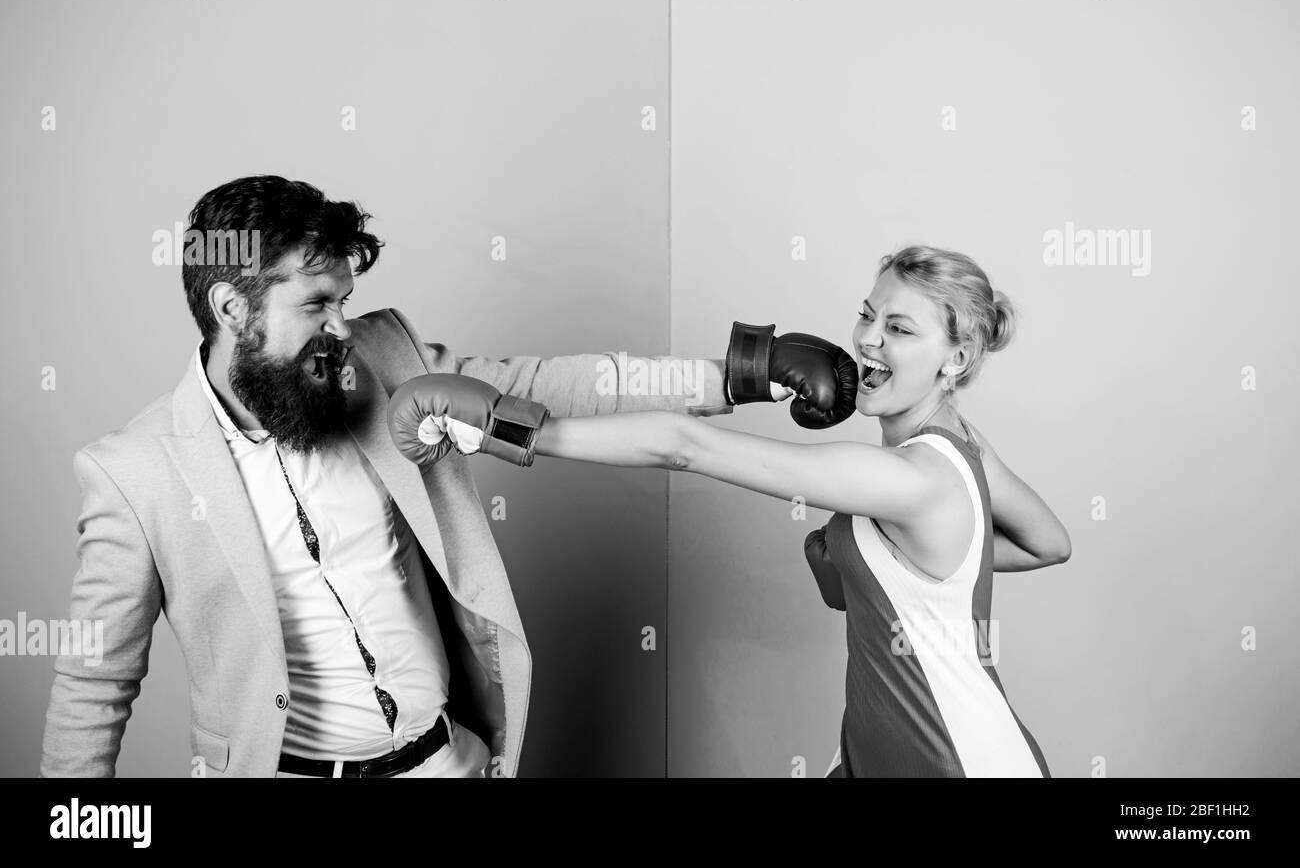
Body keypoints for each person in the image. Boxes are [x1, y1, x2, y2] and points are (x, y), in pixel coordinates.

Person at [39, 174, 860, 778]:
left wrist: (737, 372)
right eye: (316, 303)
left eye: (346, 300)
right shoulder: (133, 470)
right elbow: (94, 683)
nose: (341, 326)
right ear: (230, 309)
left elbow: (548, 384)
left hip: (449, 763)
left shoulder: (382, 355)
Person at [388, 244, 1072, 777]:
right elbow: (1050, 542)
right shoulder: (963, 450)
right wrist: (913, 579)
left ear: (957, 357)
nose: (868, 340)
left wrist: (510, 428)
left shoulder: (907, 477)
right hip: (875, 752)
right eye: (867, 313)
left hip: (953, 757)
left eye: (899, 328)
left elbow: (683, 446)